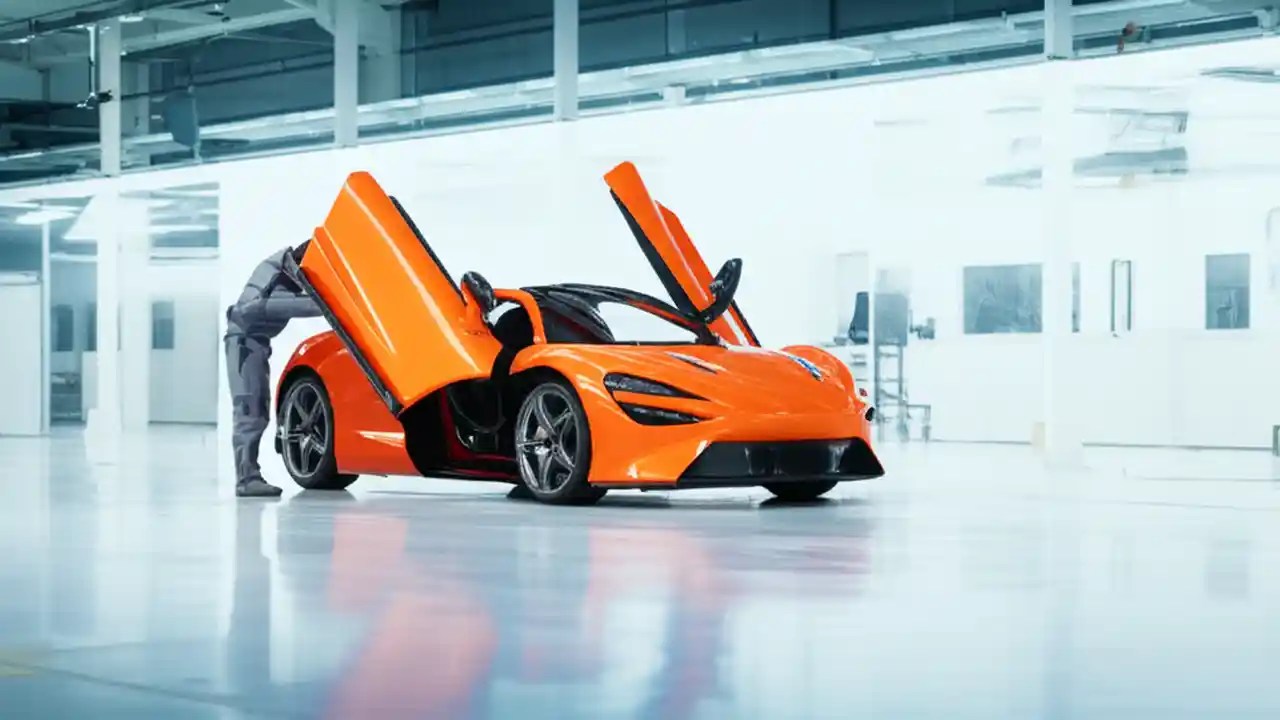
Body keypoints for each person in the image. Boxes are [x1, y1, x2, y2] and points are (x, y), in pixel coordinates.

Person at [225, 242, 323, 497]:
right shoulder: (277, 280)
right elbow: (281, 306)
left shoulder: (277, 272)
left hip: (251, 345)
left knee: (256, 412)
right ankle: (246, 480)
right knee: (250, 412)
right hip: (245, 345)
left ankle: (248, 476)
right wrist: (333, 302)